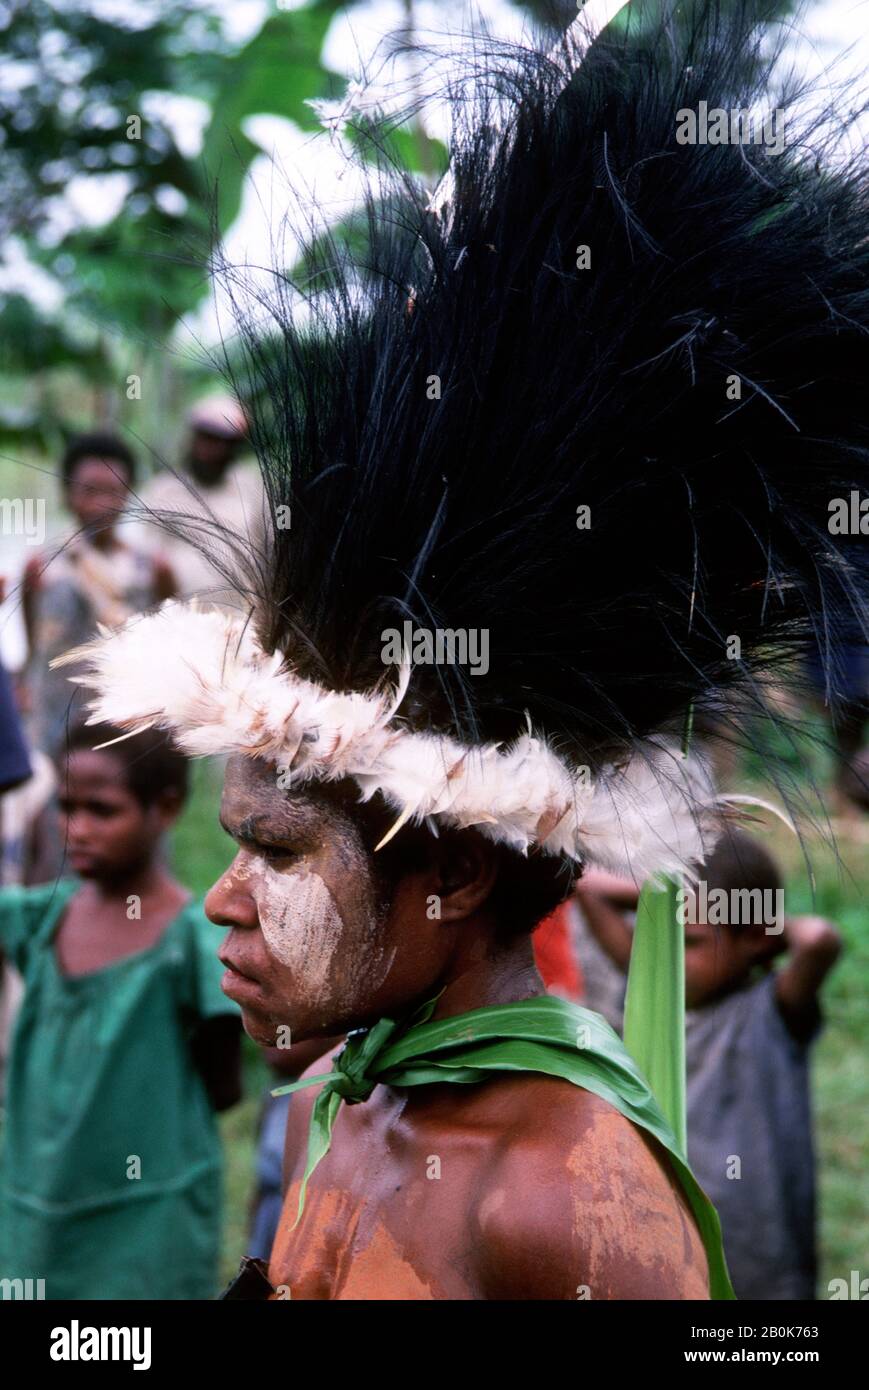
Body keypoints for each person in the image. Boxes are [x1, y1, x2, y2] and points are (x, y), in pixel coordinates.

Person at [59, 3, 869, 1301]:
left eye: (272, 850)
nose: (220, 895)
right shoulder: (345, 1093)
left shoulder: (566, 1196)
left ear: (442, 868)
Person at [0, 723, 242, 1299]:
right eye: (65, 807)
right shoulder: (42, 920)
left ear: (166, 807)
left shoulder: (191, 943)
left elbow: (225, 1085)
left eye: (101, 811)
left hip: (148, 1219)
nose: (76, 830)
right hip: (38, 1210)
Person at [577, 831, 841, 1300]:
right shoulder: (656, 992)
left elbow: (819, 939)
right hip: (671, 1233)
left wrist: (736, 910)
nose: (670, 957)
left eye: (692, 941)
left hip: (759, 1247)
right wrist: (673, 892)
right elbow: (589, 887)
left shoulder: (770, 1010)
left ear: (756, 939)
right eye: (663, 937)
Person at [21, 432, 175, 759]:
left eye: (113, 491)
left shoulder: (152, 569)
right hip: (54, 712)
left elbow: (168, 638)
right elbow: (33, 639)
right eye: (89, 491)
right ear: (67, 494)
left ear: (128, 494)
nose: (101, 504)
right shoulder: (42, 566)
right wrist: (24, 685)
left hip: (121, 716)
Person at [140, 394, 265, 606]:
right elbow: (142, 555)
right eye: (205, 438)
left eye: (220, 441)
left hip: (241, 620)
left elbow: (269, 552)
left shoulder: (253, 489)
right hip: (178, 621)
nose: (209, 449)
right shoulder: (163, 490)